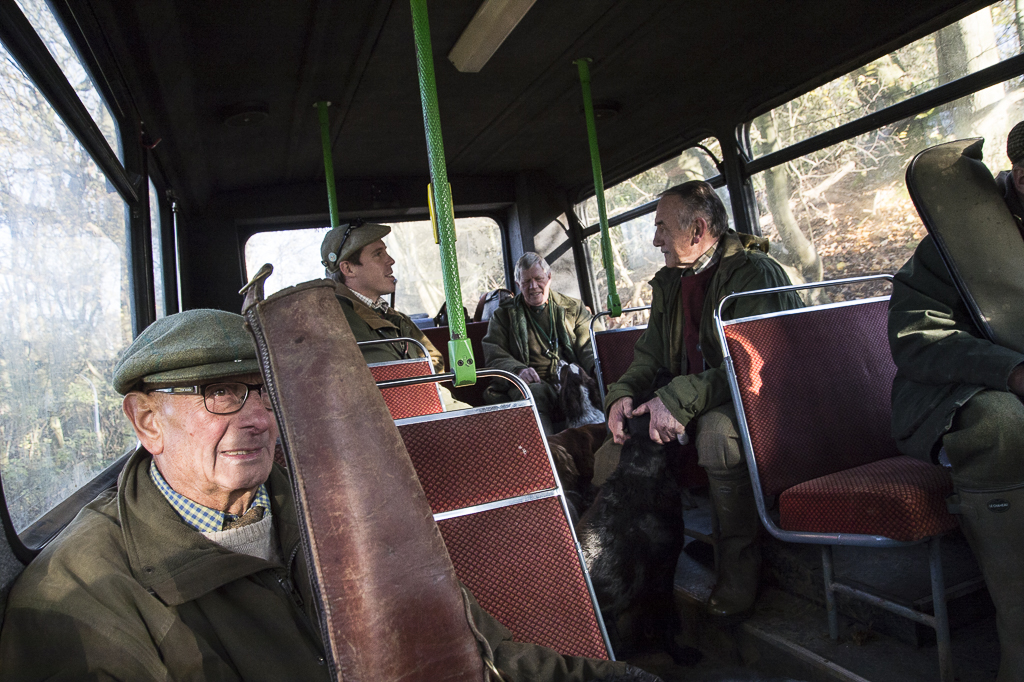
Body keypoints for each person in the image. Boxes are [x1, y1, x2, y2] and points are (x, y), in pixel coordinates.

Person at [0, 308, 657, 681]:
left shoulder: (341, 510)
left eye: (267, 393)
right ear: (146, 422)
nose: (258, 418)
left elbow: (481, 653)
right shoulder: (78, 603)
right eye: (224, 394)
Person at [592, 181, 801, 620]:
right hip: (694, 395)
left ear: (698, 229)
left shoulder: (753, 274)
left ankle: (739, 568)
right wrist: (622, 394)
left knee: (718, 435)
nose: (655, 240)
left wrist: (678, 400)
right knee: (610, 455)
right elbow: (649, 354)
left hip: (755, 398)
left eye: (662, 228)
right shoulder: (672, 282)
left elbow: (753, 366)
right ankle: (627, 578)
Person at [889, 125, 1024, 682]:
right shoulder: (957, 241)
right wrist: (1010, 372)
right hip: (957, 397)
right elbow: (916, 337)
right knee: (1002, 426)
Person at [320, 222, 467, 410]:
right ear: (349, 269)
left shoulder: (391, 315)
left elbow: (435, 362)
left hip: (426, 403)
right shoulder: (336, 320)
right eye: (378, 254)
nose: (390, 260)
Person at [482, 252, 597, 434]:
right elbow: (494, 353)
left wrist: (596, 369)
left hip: (573, 380)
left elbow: (589, 346)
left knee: (602, 384)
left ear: (549, 278)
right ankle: (550, 452)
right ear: (518, 284)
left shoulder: (573, 308)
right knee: (534, 394)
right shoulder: (503, 316)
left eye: (538, 279)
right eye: (526, 282)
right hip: (535, 385)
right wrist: (518, 370)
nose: (533, 286)